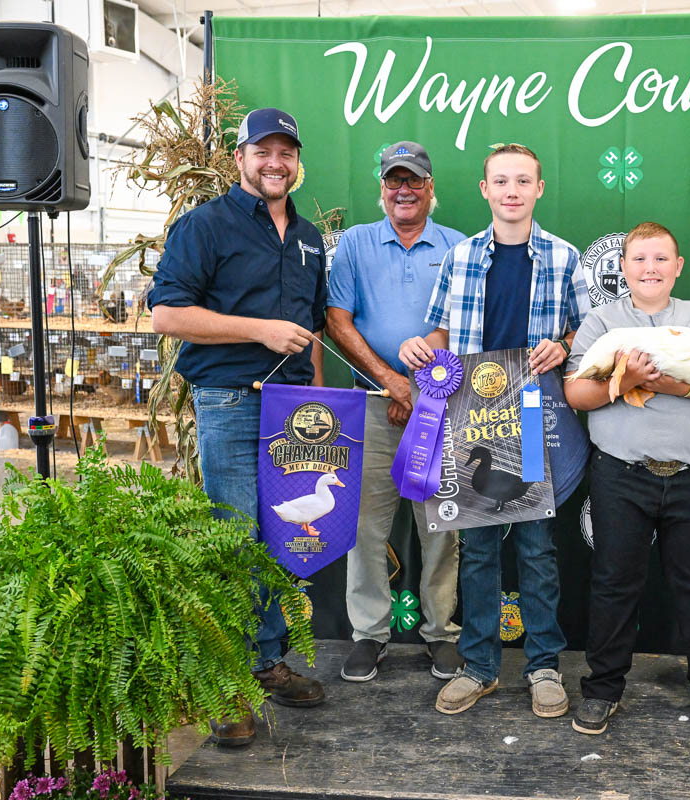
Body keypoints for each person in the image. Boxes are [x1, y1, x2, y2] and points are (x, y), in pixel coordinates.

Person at [148, 108, 328, 746]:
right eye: (262, 151)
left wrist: (313, 390)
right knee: (233, 535)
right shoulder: (205, 225)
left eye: (285, 151)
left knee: (280, 537)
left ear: (295, 161)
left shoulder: (308, 237)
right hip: (228, 398)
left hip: (290, 411)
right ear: (239, 158)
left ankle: (266, 660)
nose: (275, 162)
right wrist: (259, 330)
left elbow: (312, 325)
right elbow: (167, 315)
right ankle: (227, 680)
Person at [399, 143, 590, 719]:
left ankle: (543, 666)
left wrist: (567, 345)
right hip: (470, 418)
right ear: (484, 190)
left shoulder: (564, 257)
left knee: (536, 550)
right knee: (477, 549)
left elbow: (589, 331)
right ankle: (479, 666)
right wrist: (418, 348)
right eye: (501, 181)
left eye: (522, 181)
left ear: (538, 189)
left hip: (532, 414)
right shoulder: (459, 257)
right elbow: (439, 335)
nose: (511, 190)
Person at [565, 222, 690, 737]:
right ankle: (602, 689)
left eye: (661, 259)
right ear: (622, 267)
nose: (650, 268)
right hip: (622, 474)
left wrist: (666, 383)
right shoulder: (601, 321)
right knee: (614, 583)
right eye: (640, 259)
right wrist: (629, 383)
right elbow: (577, 394)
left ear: (678, 266)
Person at [326, 141, 464, 685]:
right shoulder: (356, 244)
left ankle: (440, 634)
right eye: (393, 181)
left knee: (441, 529)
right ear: (382, 189)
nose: (403, 190)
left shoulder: (457, 246)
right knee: (363, 527)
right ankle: (368, 635)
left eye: (414, 181)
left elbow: (463, 320)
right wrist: (391, 382)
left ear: (431, 188)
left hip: (439, 405)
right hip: (373, 405)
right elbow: (337, 320)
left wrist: (417, 387)